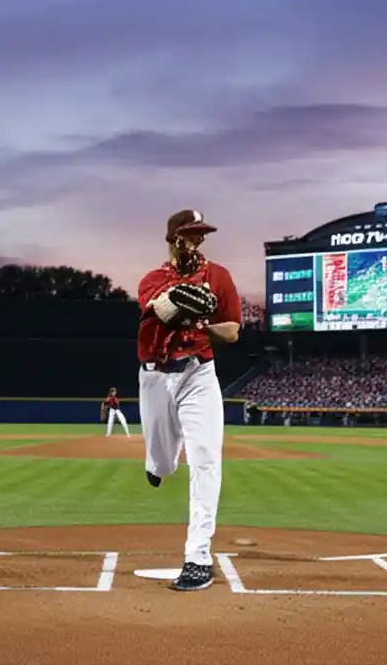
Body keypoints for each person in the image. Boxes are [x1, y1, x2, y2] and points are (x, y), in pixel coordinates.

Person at [137, 209, 241, 592]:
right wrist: (179, 305)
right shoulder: (152, 279)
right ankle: (159, 461)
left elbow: (231, 332)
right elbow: (159, 309)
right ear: (172, 238)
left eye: (199, 234)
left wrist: (202, 324)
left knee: (206, 461)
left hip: (199, 374)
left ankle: (198, 557)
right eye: (187, 234)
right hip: (155, 377)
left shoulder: (219, 276)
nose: (195, 241)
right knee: (164, 463)